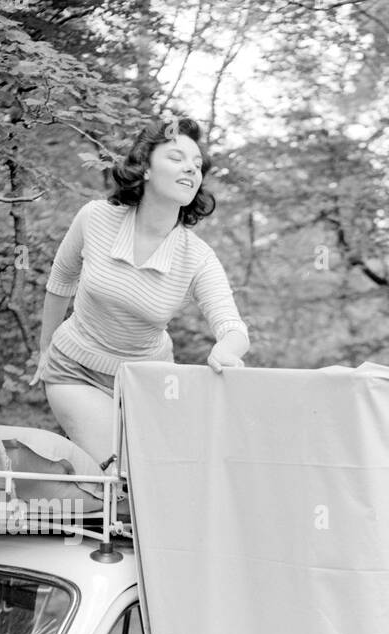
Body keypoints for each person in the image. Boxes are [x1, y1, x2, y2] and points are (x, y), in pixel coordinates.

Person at [32, 115, 249, 467]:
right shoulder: (95, 218)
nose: (191, 170)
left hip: (151, 384)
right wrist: (45, 348)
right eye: (176, 158)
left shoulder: (197, 257)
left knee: (173, 471)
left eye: (197, 165)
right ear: (146, 168)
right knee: (124, 472)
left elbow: (233, 327)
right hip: (75, 372)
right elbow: (61, 281)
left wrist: (226, 350)